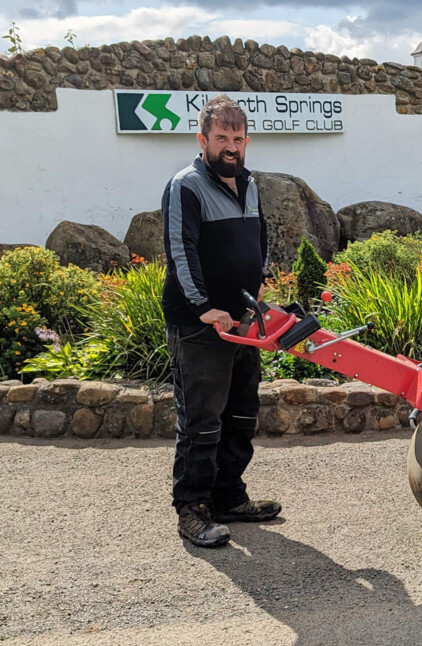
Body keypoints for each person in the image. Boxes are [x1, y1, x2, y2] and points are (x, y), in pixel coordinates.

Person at [161, 94, 281, 548]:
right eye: (221, 138)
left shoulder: (248, 184)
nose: (231, 146)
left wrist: (260, 281)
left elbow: (260, 237)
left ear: (246, 140)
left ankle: (229, 496)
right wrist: (202, 306)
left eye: (238, 138)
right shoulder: (185, 186)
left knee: (241, 415)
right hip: (201, 324)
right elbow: (179, 249)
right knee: (201, 420)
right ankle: (192, 509)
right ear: (203, 139)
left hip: (243, 322)